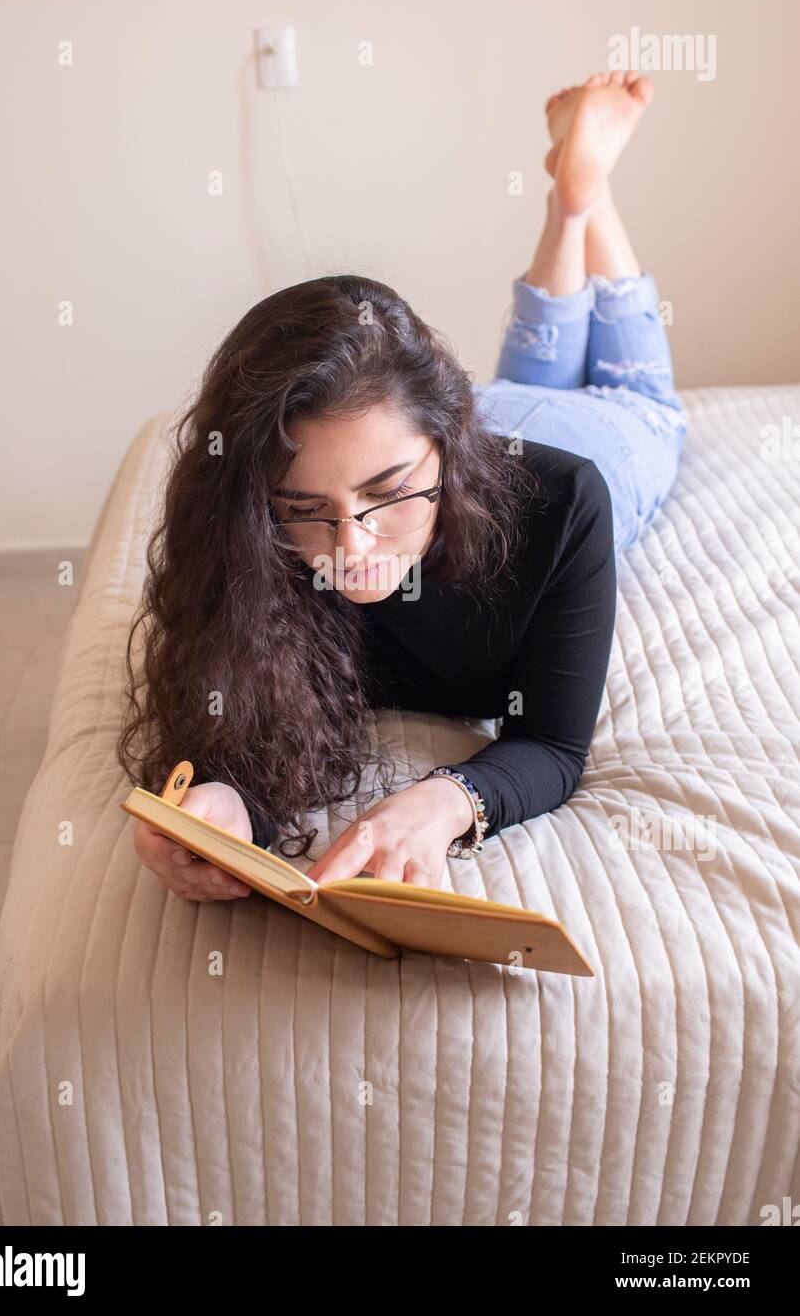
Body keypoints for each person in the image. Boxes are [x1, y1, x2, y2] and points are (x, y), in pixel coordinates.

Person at [121, 71, 687, 902]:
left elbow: (554, 748)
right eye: (304, 512)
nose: (350, 552)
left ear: (445, 443)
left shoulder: (566, 500)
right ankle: (571, 198)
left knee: (635, 396)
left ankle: (583, 200)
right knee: (528, 367)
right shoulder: (254, 533)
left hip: (589, 436)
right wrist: (217, 798)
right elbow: (226, 712)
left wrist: (438, 804)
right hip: (477, 415)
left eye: (386, 495)